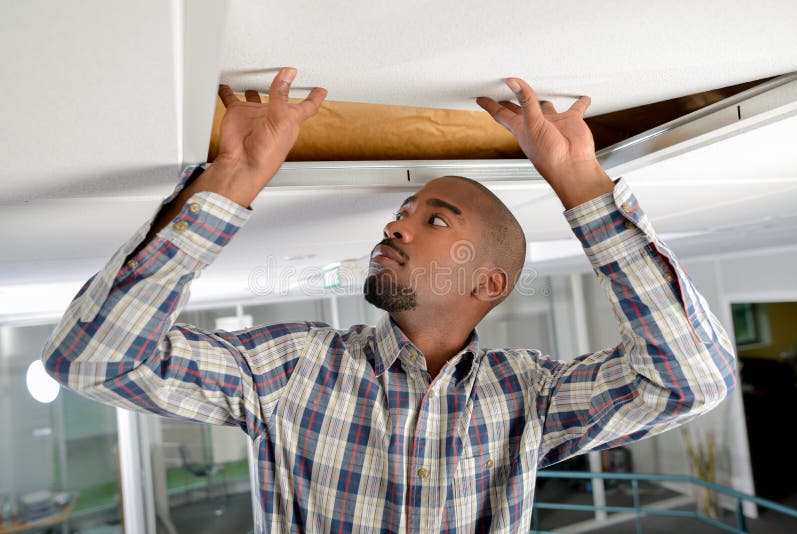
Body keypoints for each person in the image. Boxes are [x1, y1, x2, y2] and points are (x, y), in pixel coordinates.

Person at [42, 67, 737, 533]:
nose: (395, 224)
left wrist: (583, 181)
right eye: (403, 210)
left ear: (489, 284)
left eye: (435, 220)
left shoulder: (531, 398)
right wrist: (232, 178)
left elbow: (691, 380)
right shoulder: (296, 368)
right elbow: (94, 362)